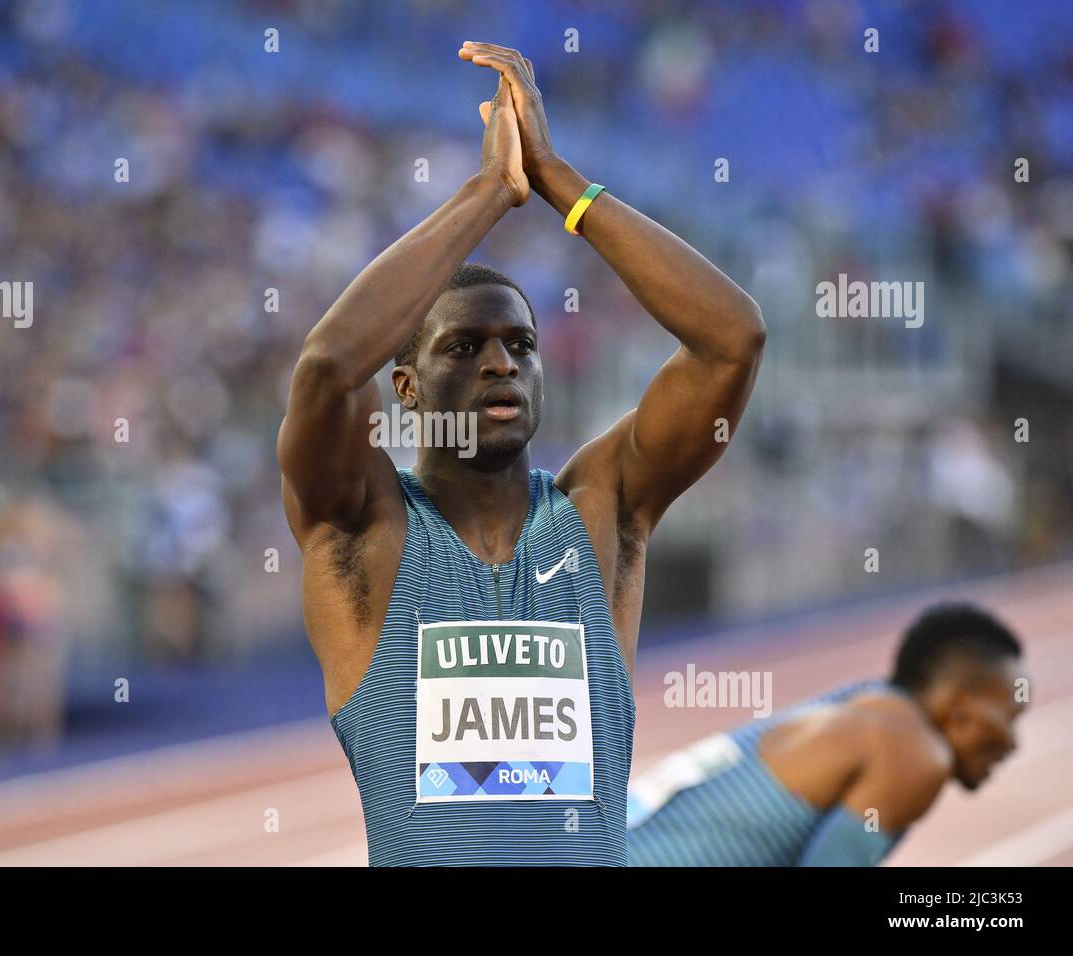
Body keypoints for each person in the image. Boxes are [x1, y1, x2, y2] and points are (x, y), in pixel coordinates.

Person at [278, 41, 765, 865]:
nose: (502, 363)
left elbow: (733, 340)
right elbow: (328, 367)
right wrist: (489, 194)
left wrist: (559, 184)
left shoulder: (601, 512)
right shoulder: (362, 528)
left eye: (522, 345)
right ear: (404, 385)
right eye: (464, 347)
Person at [625, 603, 1026, 866]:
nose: (1012, 742)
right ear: (959, 708)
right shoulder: (914, 751)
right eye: (1010, 716)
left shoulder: (864, 705)